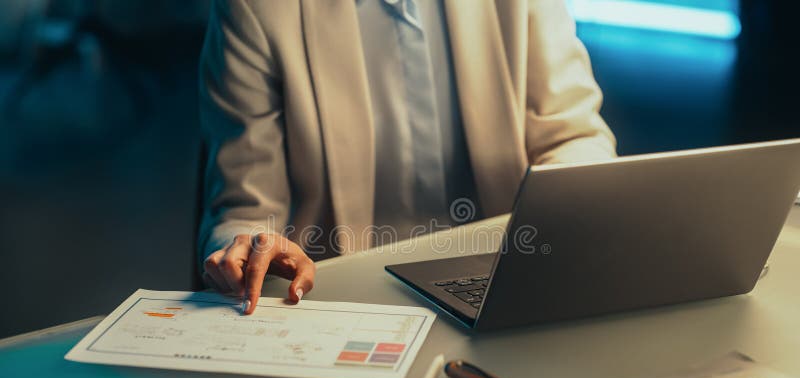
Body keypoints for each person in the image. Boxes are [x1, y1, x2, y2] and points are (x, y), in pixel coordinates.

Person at [197, 0, 616, 314]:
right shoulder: (256, 10)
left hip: (509, 285)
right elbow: (244, 210)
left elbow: (574, 136)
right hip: (341, 304)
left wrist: (564, 217)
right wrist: (249, 249)